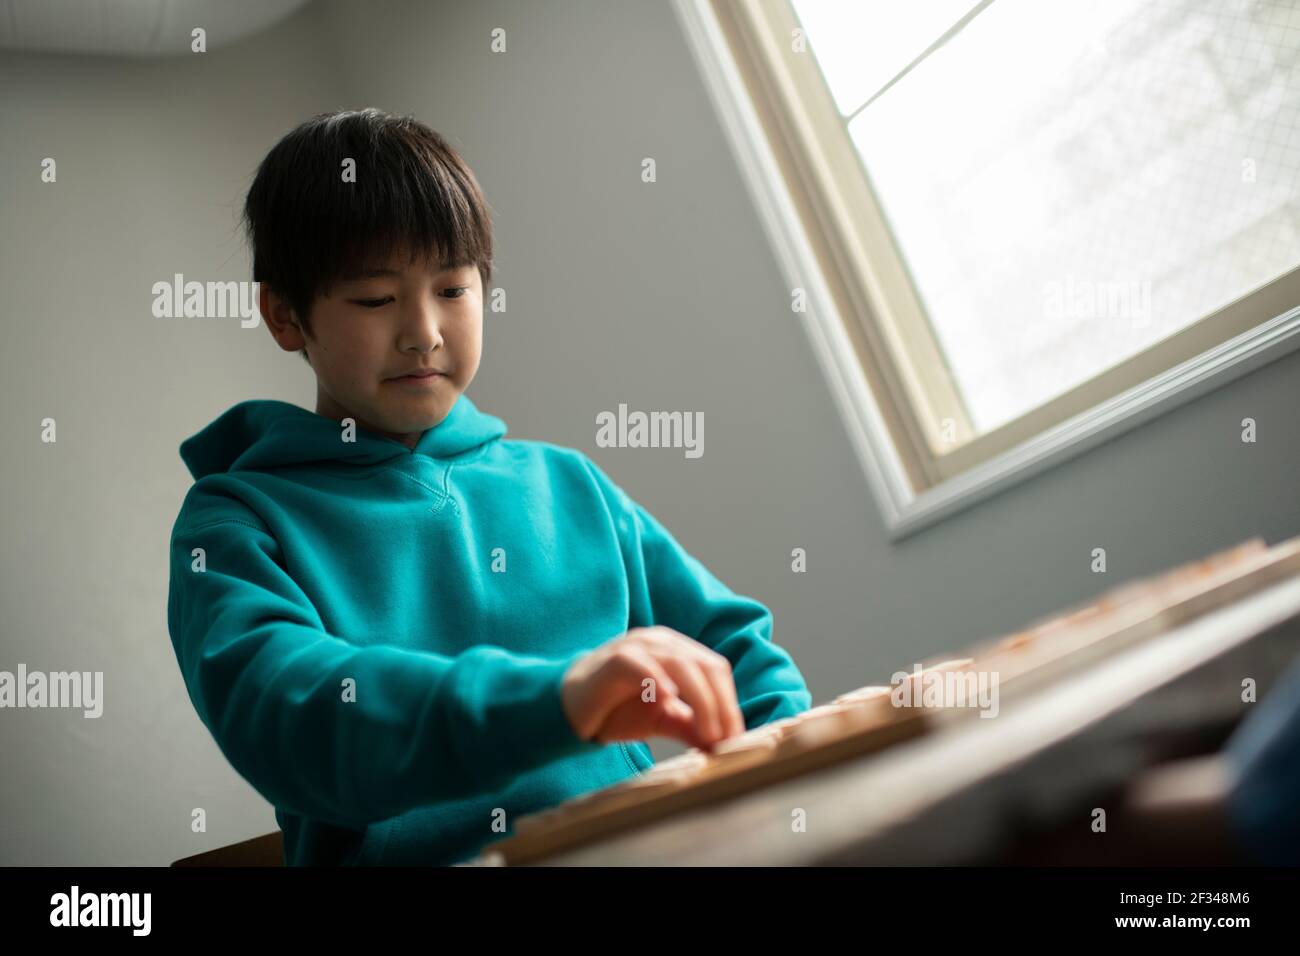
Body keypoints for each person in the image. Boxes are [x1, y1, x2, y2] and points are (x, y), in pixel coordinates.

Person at [166, 109, 811, 866]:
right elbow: (297, 721)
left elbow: (737, 651)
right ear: (284, 315)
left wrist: (784, 778)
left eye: (453, 288)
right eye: (376, 299)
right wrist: (557, 701)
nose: (423, 332)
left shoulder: (567, 483)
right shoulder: (235, 525)